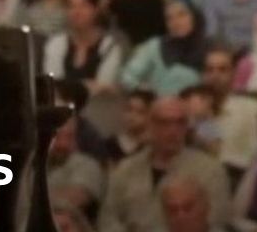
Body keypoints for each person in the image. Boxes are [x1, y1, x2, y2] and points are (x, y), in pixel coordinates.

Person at [99, 98, 232, 232]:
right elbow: (108, 217)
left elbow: (215, 221)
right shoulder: (126, 168)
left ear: (187, 127)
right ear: (150, 125)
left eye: (180, 123)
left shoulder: (210, 171)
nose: (173, 130)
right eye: (164, 123)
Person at [42, 0, 123, 95]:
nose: (77, 12)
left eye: (84, 6)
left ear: (95, 9)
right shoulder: (56, 43)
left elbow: (104, 87)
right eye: (71, 6)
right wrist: (87, 85)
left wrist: (73, 87)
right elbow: (53, 84)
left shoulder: (109, 46)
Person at [120, 0, 209, 96]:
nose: (176, 22)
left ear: (195, 17)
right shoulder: (154, 46)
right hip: (161, 105)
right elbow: (127, 77)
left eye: (182, 15)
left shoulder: (210, 48)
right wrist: (148, 94)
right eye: (169, 18)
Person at [201, 47, 257, 179]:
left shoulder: (250, 108)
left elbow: (254, 156)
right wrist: (204, 118)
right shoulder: (194, 110)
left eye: (222, 70)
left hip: (238, 177)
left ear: (233, 74)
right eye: (210, 70)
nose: (215, 75)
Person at [46, 117, 105, 217]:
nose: (63, 144)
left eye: (69, 137)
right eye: (56, 137)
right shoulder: (31, 166)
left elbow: (75, 198)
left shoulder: (86, 165)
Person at [104, 88, 155, 166]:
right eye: (129, 109)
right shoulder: (110, 143)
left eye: (140, 112)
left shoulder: (152, 147)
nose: (132, 116)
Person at [180, 84, 222, 156]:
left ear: (208, 100)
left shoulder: (213, 125)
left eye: (189, 101)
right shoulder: (187, 121)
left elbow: (215, 150)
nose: (184, 105)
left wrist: (194, 136)